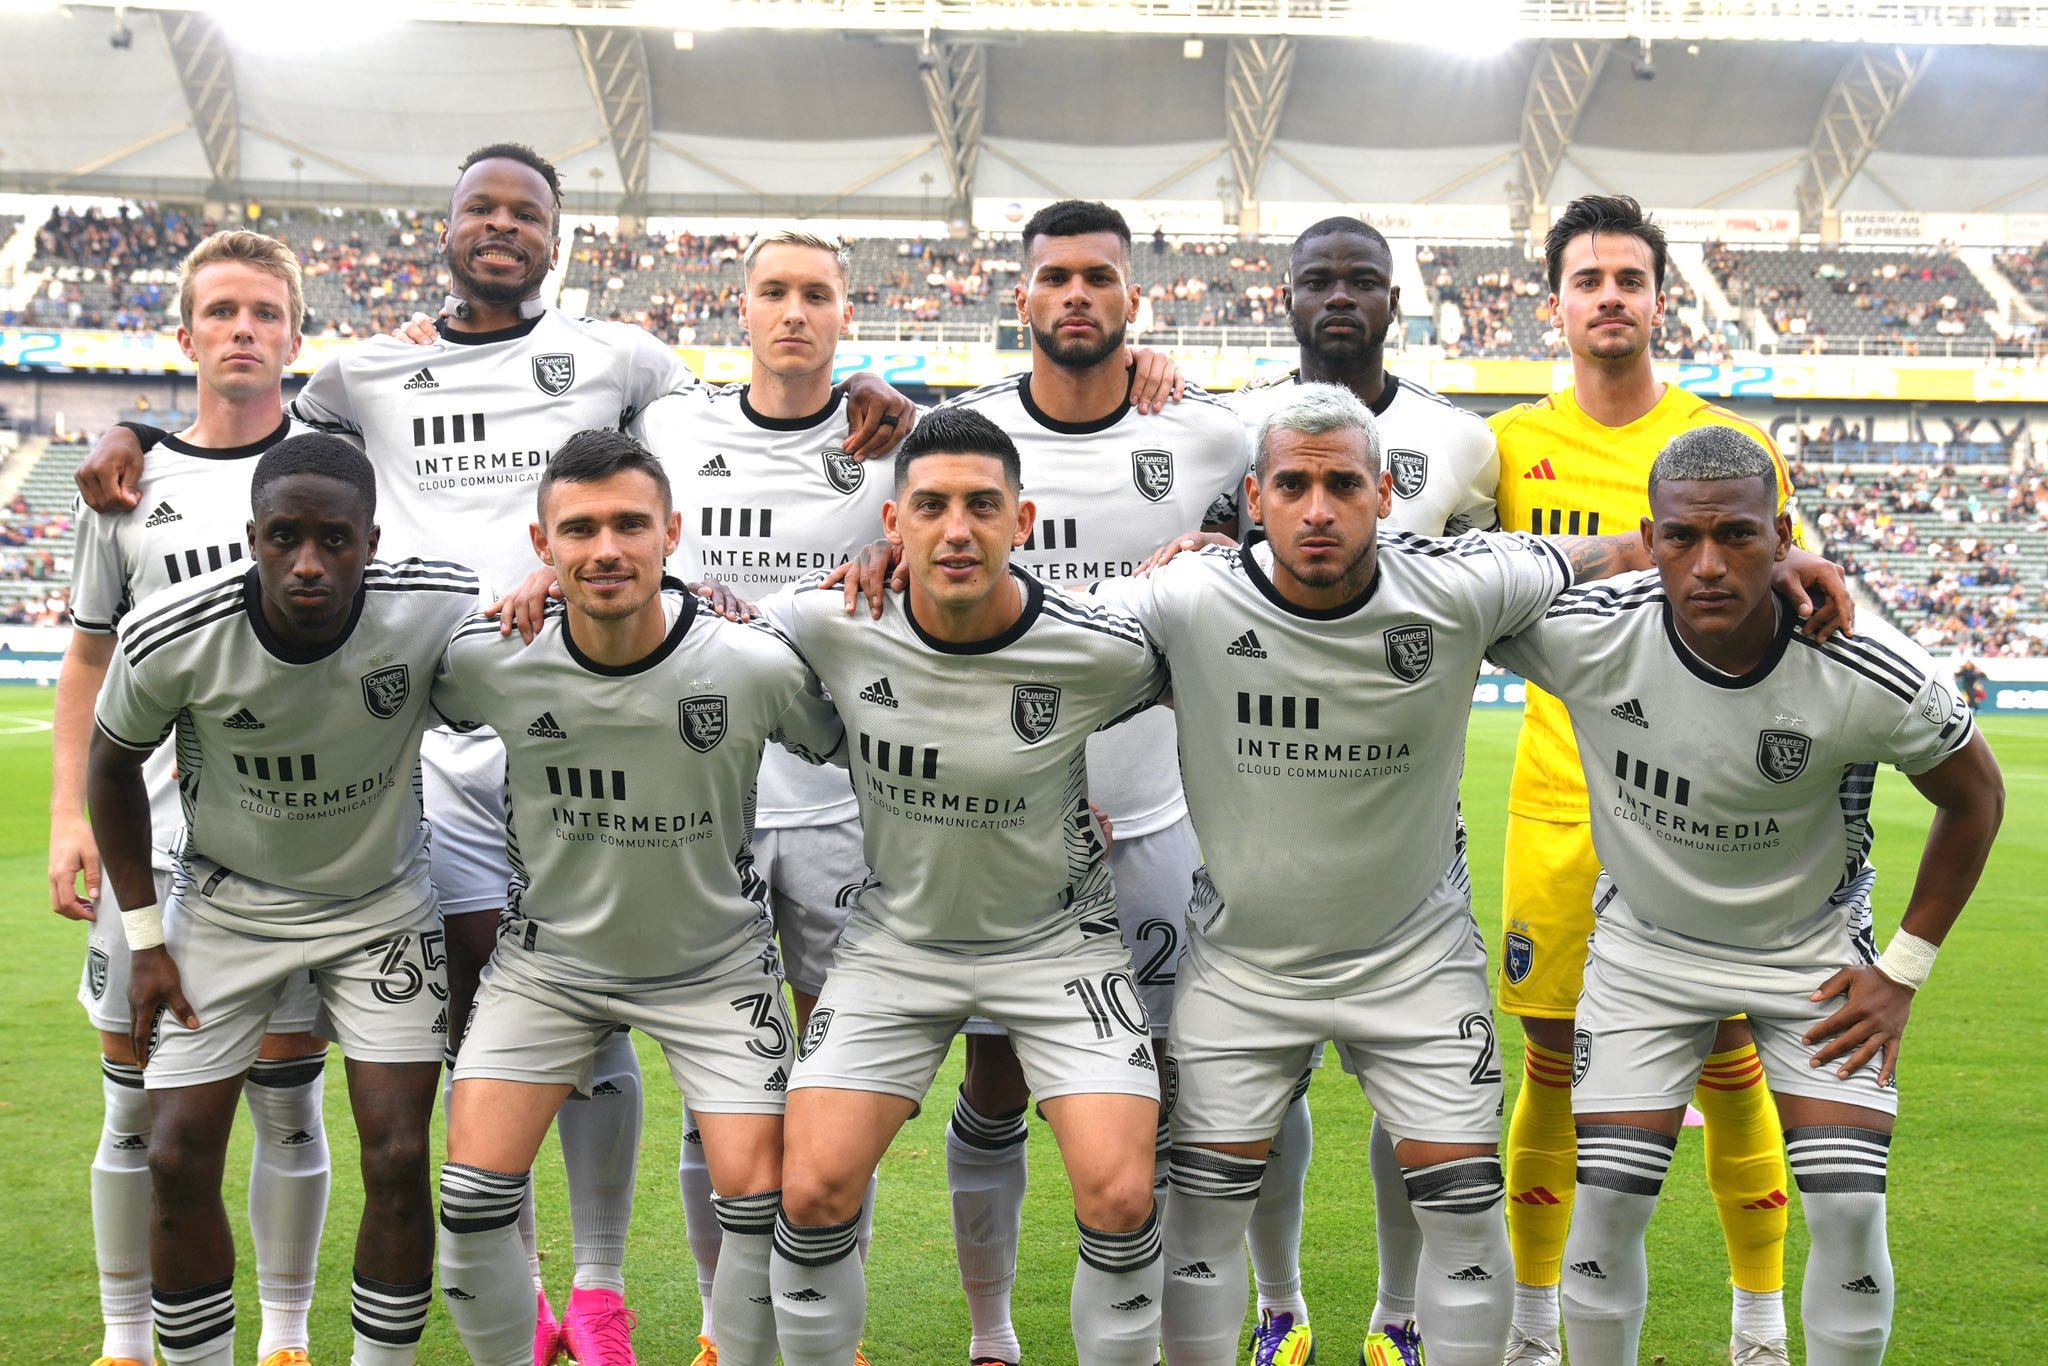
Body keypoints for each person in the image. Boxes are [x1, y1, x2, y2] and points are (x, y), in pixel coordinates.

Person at [73, 142, 914, 1366]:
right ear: (447, 225)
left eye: (529, 210)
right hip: (446, 716)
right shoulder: (362, 371)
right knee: (495, 1030)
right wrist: (136, 426)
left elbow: (765, 408)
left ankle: (604, 1285)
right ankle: (513, 1297)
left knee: (621, 1017)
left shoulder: (623, 360)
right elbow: (254, 449)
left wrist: (876, 398)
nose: (504, 226)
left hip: (601, 698)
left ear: (558, 234)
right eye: (482, 208)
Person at [1111, 387, 1844, 1366]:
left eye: (1341, 483)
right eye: (1292, 484)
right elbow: (1021, 629)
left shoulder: (1459, 583)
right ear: (1253, 495)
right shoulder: (1187, 594)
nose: (1317, 507)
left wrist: (1769, 562)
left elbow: (1629, 552)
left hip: (1413, 967)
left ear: (1383, 492)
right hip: (1243, 964)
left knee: (1461, 1210)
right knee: (1199, 1214)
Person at [1486, 427, 2002, 1364]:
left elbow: (1976, 795)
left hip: (1809, 953)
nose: (1710, 565)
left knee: (1847, 1207)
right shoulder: (1593, 632)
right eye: (1683, 538)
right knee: (1605, 1200)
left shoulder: (1862, 664)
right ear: (1652, 537)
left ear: (1785, 536)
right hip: (1646, 952)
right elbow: (1428, 591)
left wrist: (1904, 970)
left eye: (1741, 536)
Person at [1490, 194, 1828, 1365]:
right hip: (1559, 804)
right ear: (1556, 304)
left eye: (1628, 278)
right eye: (1586, 279)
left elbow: (1784, 601)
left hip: (1703, 810)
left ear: (1656, 299)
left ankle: (1755, 1324)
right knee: (1544, 1062)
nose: (1608, 297)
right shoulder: (1503, 448)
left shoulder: (1726, 443)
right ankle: (1533, 1328)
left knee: (1728, 1055)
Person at [759, 407, 1171, 1366]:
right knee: (811, 1189)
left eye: (983, 506)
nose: (957, 530)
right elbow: (695, 625)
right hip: (897, 944)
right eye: (932, 506)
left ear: (1021, 522)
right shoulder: (829, 618)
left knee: (1119, 1194)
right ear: (891, 525)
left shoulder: (1097, 647)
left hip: (1057, 945)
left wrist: (1214, 547)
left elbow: (1225, 648)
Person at [432, 430, 844, 1366]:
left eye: (630, 524)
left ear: (674, 534)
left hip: (715, 968)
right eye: (578, 530)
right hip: (549, 968)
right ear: (544, 548)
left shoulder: (750, 664)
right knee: (468, 1201)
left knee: (762, 1205)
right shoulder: (489, 657)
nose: (606, 548)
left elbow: (860, 746)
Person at [85, 434, 485, 1366]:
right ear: (252, 536)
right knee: (177, 1154)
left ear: (372, 540)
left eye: (335, 541)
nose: (309, 563)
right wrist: (147, 938)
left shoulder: (434, 605)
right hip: (229, 907)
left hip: (381, 906)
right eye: (285, 537)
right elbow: (109, 772)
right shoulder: (175, 636)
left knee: (396, 1155)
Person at [928, 201, 1246, 1366]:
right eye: (1053, 276)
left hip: (1156, 821)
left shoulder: (1207, 436)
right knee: (998, 1073)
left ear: (1131, 301)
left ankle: (1154, 1336)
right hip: (1003, 832)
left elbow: (1336, 489)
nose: (1075, 294)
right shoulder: (954, 435)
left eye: (1097, 278)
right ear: (1020, 298)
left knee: (1156, 1088)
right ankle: (991, 1334)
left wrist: (1235, 548)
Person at [50, 229, 334, 1366]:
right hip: (152, 852)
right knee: (134, 1109)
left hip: (302, 854)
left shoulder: (334, 471)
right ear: (185, 336)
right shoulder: (127, 486)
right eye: (221, 313)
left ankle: (286, 1329)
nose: (243, 331)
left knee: (288, 1102)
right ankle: (127, 1334)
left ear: (296, 336)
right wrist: (72, 815)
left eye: (265, 313)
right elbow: (87, 660)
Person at [1220, 216, 1500, 1365]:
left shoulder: (1458, 443)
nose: (1339, 298)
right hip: (1253, 824)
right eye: (1316, 281)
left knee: (1413, 1095)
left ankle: (1399, 1313)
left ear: (1395, 300)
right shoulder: (1225, 426)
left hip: (1405, 831)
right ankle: (1278, 1307)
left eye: (1361, 282)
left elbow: (1506, 590)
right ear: (1284, 298)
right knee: (1257, 1091)